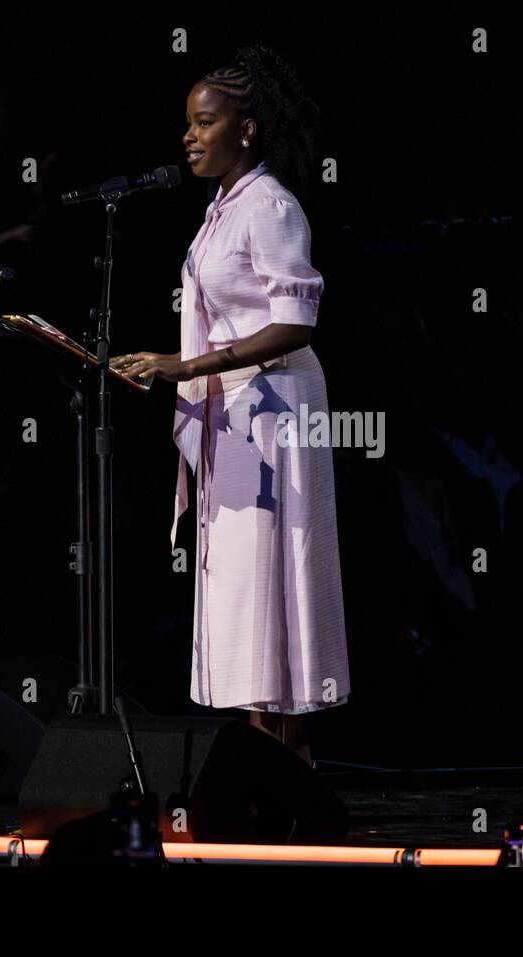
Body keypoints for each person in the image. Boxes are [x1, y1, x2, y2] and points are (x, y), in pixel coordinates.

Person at [111, 46, 349, 766]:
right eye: (186, 122)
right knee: (247, 574)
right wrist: (173, 368)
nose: (188, 135)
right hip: (241, 405)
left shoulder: (272, 205)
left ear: (246, 129)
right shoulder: (224, 209)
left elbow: (294, 322)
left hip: (275, 404)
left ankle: (289, 756)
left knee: (277, 568)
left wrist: (185, 365)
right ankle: (260, 754)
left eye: (203, 122)